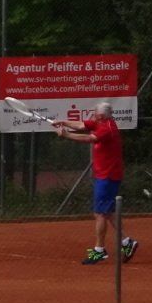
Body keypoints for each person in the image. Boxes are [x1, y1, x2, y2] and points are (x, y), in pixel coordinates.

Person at [55, 102, 137, 264]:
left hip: (108, 177)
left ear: (101, 116)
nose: (93, 115)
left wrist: (66, 135)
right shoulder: (101, 122)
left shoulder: (107, 129)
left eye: (95, 113)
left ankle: (100, 250)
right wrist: (63, 123)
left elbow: (88, 138)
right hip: (105, 176)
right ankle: (127, 243)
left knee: (100, 213)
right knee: (107, 212)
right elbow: (81, 125)